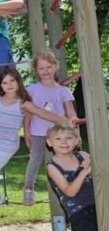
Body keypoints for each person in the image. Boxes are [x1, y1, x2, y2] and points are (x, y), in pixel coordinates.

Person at [0, 66, 71, 206]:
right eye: (5, 82)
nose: (9, 85)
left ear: (18, 82)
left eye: (12, 81)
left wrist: (66, 121)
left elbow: (43, 113)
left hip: (7, 145)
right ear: (0, 85)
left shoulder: (23, 104)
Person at [22, 52, 77, 206]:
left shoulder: (63, 91)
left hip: (59, 135)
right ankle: (28, 190)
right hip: (38, 133)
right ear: (36, 71)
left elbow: (70, 111)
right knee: (35, 159)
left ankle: (70, 188)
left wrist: (74, 127)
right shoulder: (32, 90)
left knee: (63, 160)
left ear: (56, 67)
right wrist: (26, 132)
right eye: (41, 68)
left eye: (49, 67)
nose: (46, 71)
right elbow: (28, 113)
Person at [46, 123, 101, 231]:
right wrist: (84, 173)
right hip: (80, 214)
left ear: (76, 140)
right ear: (49, 142)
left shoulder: (83, 155)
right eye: (58, 139)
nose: (64, 142)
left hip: (99, 205)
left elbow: (101, 172)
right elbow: (69, 192)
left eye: (69, 138)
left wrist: (93, 164)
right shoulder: (52, 166)